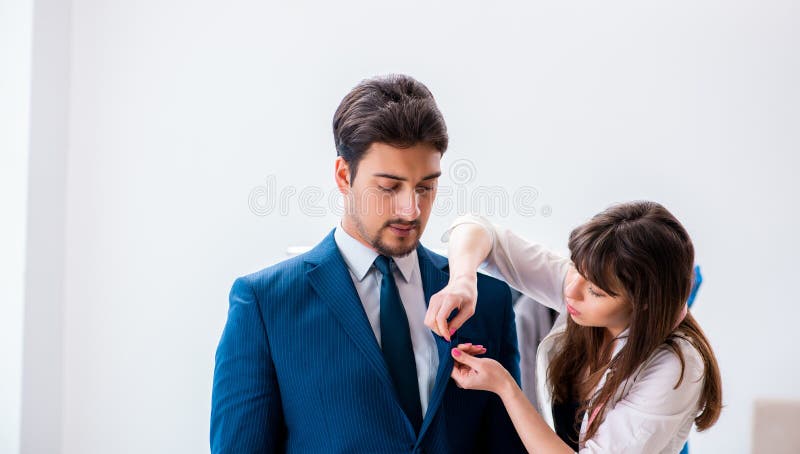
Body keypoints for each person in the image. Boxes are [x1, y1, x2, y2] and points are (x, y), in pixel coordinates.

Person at [210, 74, 525, 453]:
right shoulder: (265, 304)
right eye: (390, 187)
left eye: (426, 186)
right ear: (344, 176)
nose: (411, 209)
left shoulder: (486, 301)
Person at [424, 202, 722, 453]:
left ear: (643, 302)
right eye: (575, 268)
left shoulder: (678, 368)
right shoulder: (585, 285)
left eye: (596, 292)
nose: (571, 291)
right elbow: (476, 229)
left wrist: (505, 387)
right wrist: (462, 281)